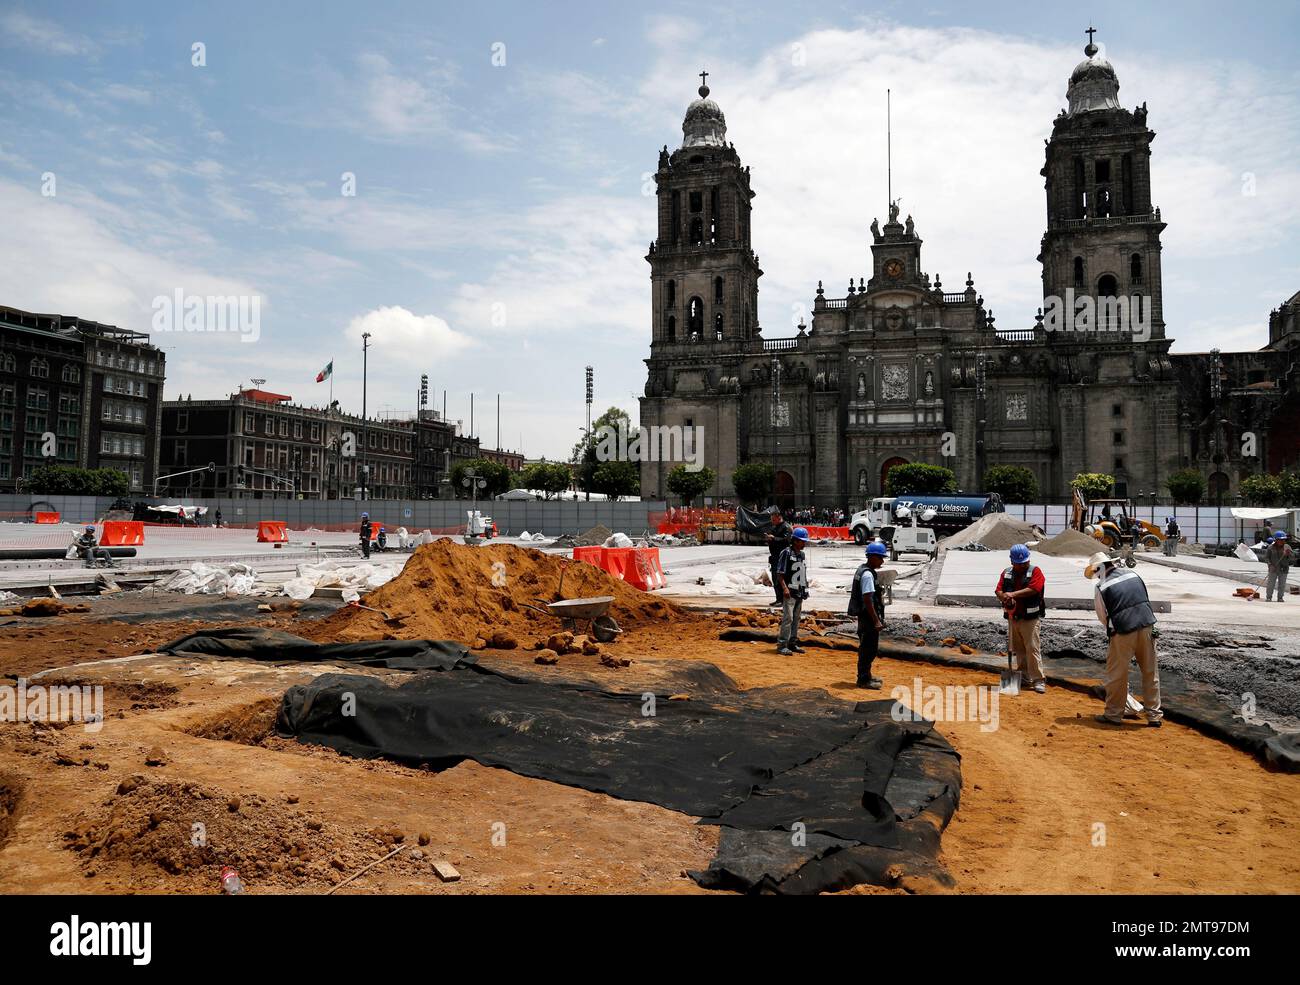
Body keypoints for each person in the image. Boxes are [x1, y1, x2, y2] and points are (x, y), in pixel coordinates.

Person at [1085, 551, 1162, 727]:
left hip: (1123, 631)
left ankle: (1113, 714)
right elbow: (1144, 599)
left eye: (1096, 572)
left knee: (1117, 674)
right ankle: (1154, 716)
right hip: (1147, 625)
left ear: (1099, 569)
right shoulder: (1133, 574)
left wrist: (1113, 629)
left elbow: (1102, 616)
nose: (1096, 576)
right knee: (1150, 672)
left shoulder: (1101, 586)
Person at [995, 544, 1047, 693]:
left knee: (1032, 648)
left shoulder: (1035, 572)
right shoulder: (1006, 573)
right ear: (1012, 562)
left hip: (1030, 618)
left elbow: (1034, 589)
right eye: (1020, 563)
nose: (1024, 564)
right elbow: (998, 589)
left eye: (1026, 562)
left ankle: (1038, 680)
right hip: (1013, 618)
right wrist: (1003, 597)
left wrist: (1012, 594)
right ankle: (1024, 676)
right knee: (1019, 649)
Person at [848, 541, 888, 689]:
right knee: (868, 649)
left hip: (865, 617)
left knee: (869, 648)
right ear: (872, 557)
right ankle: (863, 680)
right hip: (868, 618)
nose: (882, 561)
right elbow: (867, 599)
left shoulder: (864, 571)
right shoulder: (867, 575)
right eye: (880, 558)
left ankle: (867, 676)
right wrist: (876, 621)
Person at [775, 527, 810, 655]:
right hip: (789, 592)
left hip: (799, 591)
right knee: (788, 618)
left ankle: (792, 643)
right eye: (802, 541)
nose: (804, 543)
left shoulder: (801, 555)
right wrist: (784, 588)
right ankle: (782, 645)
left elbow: (802, 572)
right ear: (795, 541)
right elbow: (780, 573)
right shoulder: (786, 553)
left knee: (796, 619)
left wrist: (805, 588)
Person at [765, 508, 793, 607]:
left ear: (779, 517)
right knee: (775, 578)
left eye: (773, 519)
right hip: (775, 557)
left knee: (781, 578)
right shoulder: (775, 527)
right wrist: (769, 539)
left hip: (783, 557)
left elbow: (786, 541)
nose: (772, 522)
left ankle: (782, 599)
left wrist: (774, 538)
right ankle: (778, 598)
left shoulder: (786, 527)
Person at [1265, 531, 1293, 602]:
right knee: (1271, 584)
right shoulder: (1270, 547)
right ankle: (1269, 597)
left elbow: (1293, 558)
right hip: (1273, 568)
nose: (1282, 541)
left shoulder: (1287, 547)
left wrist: (1288, 554)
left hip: (1284, 569)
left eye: (1283, 539)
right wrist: (1270, 564)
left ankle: (1280, 597)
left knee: (1282, 585)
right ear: (1276, 540)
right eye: (1280, 539)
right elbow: (1266, 557)